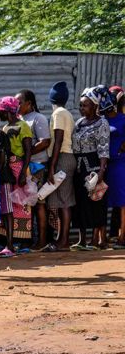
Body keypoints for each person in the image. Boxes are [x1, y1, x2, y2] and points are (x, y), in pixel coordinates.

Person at [0, 95, 32, 256]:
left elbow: (28, 150)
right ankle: (10, 240)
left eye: (0, 112)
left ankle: (23, 241)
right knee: (10, 204)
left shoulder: (23, 126)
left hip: (19, 166)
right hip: (8, 168)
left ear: (6, 112)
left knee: (22, 204)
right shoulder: (5, 128)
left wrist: (23, 172)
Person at [72, 87, 111, 250]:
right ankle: (82, 239)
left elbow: (103, 147)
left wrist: (102, 171)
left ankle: (96, 239)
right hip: (79, 167)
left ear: (95, 106)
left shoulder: (102, 122)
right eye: (81, 105)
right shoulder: (79, 123)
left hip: (93, 166)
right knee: (80, 202)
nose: (82, 109)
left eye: (85, 105)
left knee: (95, 202)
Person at [18, 89, 52, 250]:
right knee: (26, 204)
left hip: (37, 167)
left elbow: (45, 141)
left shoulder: (38, 118)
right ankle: (28, 239)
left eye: (20, 102)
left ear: (29, 103)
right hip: (25, 168)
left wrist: (27, 152)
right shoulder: (20, 118)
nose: (17, 105)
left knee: (39, 203)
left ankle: (42, 240)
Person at [45, 82, 77, 251]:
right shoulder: (67, 113)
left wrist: (52, 167)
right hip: (67, 158)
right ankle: (62, 239)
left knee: (64, 202)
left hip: (62, 158)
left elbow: (58, 140)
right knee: (64, 201)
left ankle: (63, 241)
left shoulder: (58, 113)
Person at [102, 90, 125, 248]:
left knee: (122, 202)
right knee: (102, 200)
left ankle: (122, 236)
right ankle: (101, 238)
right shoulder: (101, 121)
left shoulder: (123, 120)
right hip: (104, 165)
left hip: (119, 164)